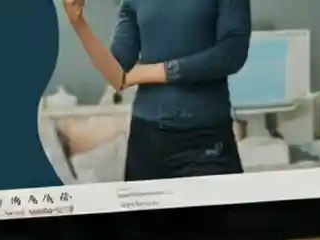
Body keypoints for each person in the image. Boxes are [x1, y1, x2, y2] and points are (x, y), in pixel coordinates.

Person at [62, 0, 252, 182]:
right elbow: (117, 74)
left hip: (204, 139)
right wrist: (78, 22)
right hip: (146, 142)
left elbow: (232, 53)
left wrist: (156, 71)